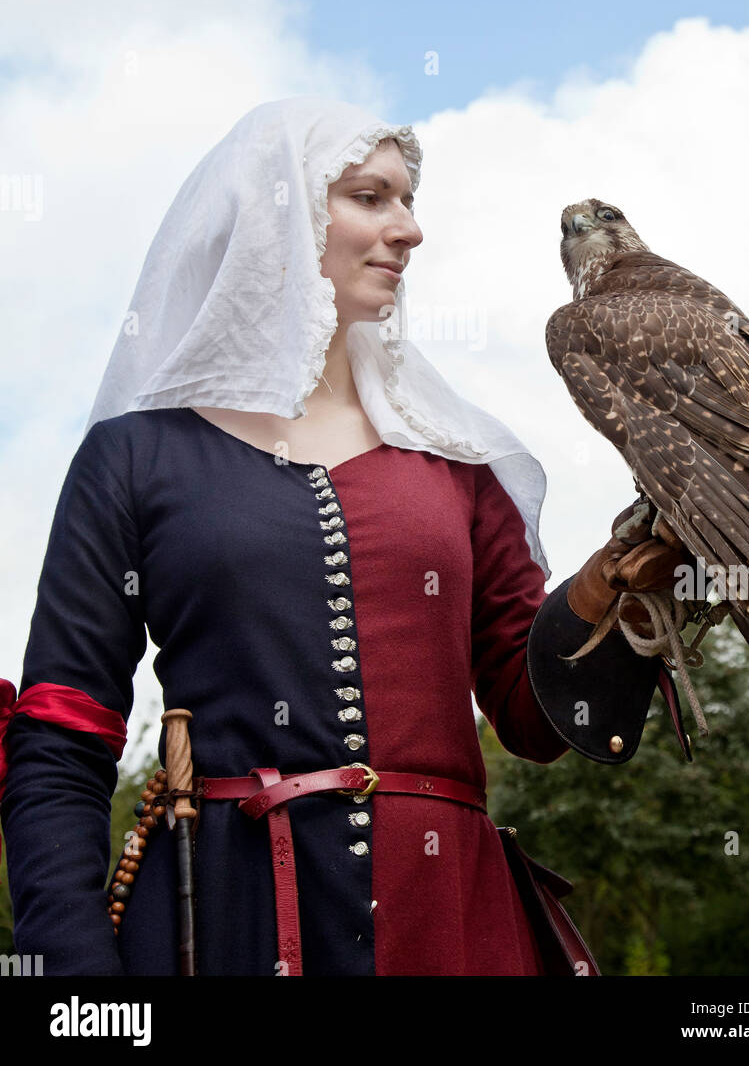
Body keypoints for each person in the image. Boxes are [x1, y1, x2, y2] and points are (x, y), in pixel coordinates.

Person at [0, 96, 689, 977]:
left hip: (452, 926)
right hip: (223, 926)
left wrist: (616, 587)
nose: (409, 230)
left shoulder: (456, 460)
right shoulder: (137, 457)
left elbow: (535, 716)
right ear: (278, 216)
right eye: (371, 197)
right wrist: (72, 977)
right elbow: (64, 733)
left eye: (408, 201)